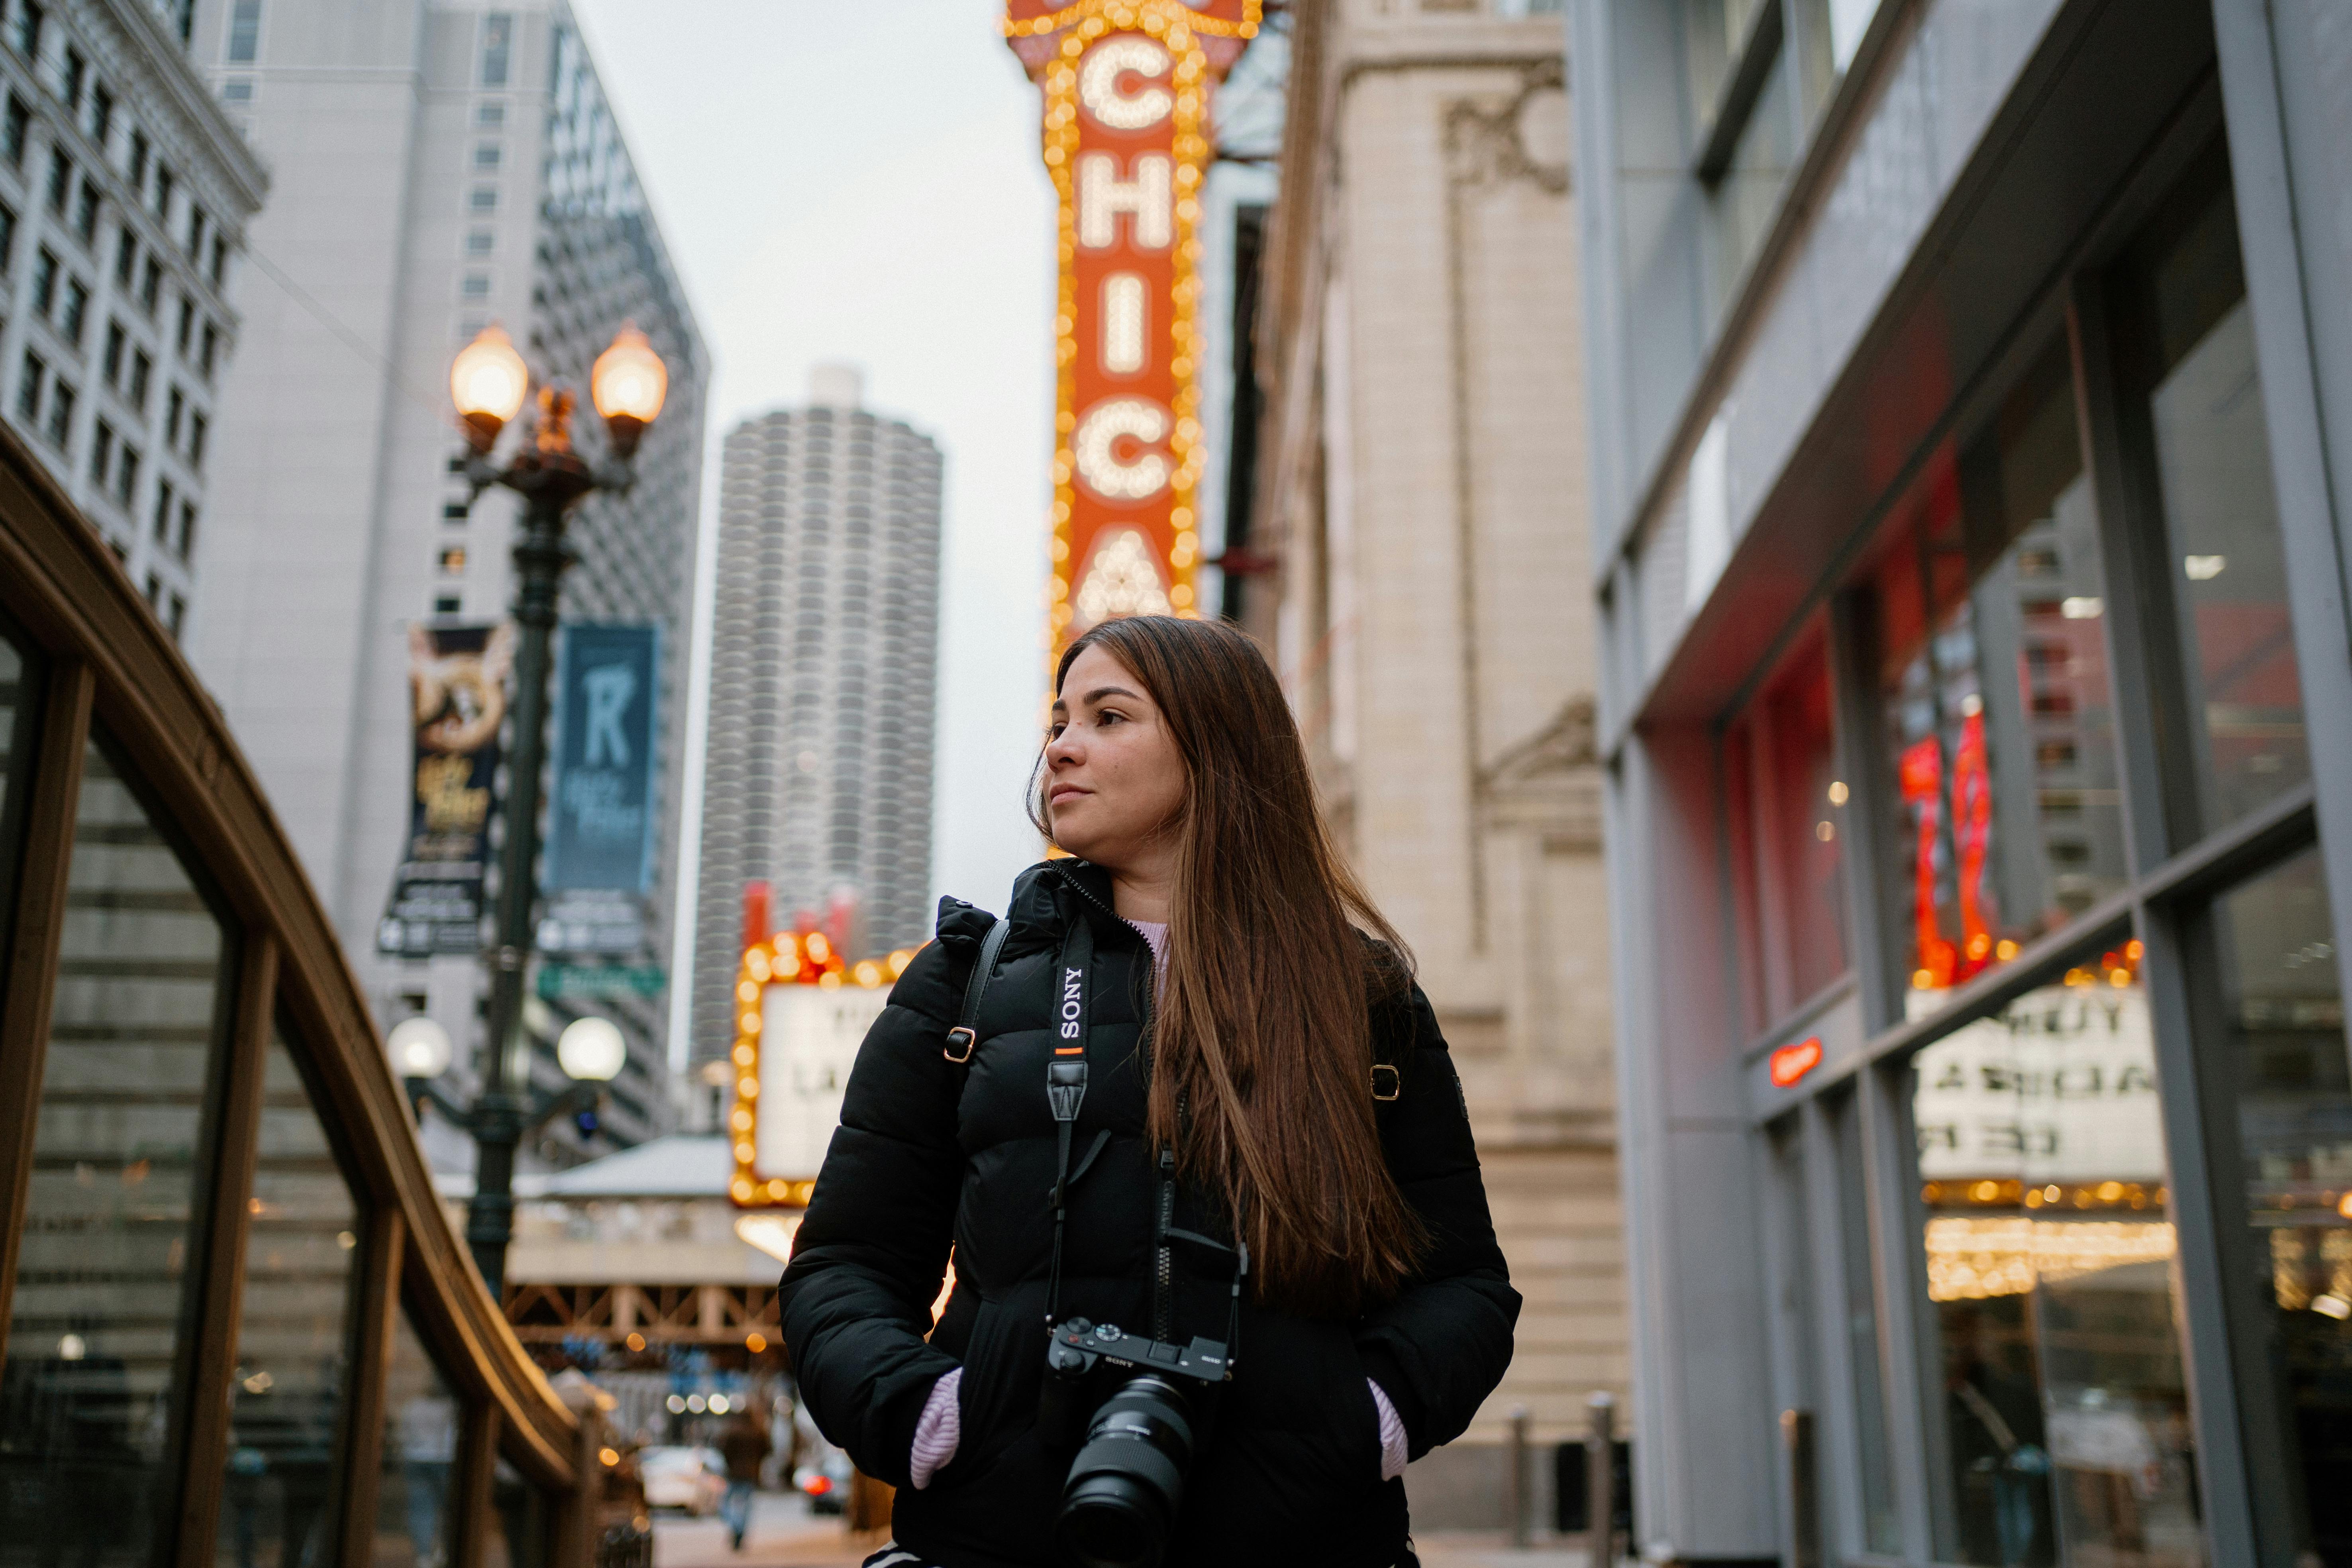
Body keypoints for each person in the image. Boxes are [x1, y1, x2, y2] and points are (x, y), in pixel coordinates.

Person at [777, 616, 1518, 1568]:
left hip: (1299, 1541)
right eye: (1058, 720)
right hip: (1003, 1537)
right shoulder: (965, 983)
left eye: (1108, 716)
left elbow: (1461, 1282)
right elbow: (843, 1266)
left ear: (1216, 750)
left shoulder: (1361, 998)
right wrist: (930, 1419)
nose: (1062, 745)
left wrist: (1369, 1420)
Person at [719, 1408, 773, 1552]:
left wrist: (731, 1465)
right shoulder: (758, 1432)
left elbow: (725, 1450)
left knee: (725, 1503)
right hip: (751, 1475)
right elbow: (768, 1450)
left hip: (734, 1474)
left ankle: (735, 1526)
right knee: (747, 1506)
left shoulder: (734, 1432)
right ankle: (740, 1530)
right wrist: (756, 1464)